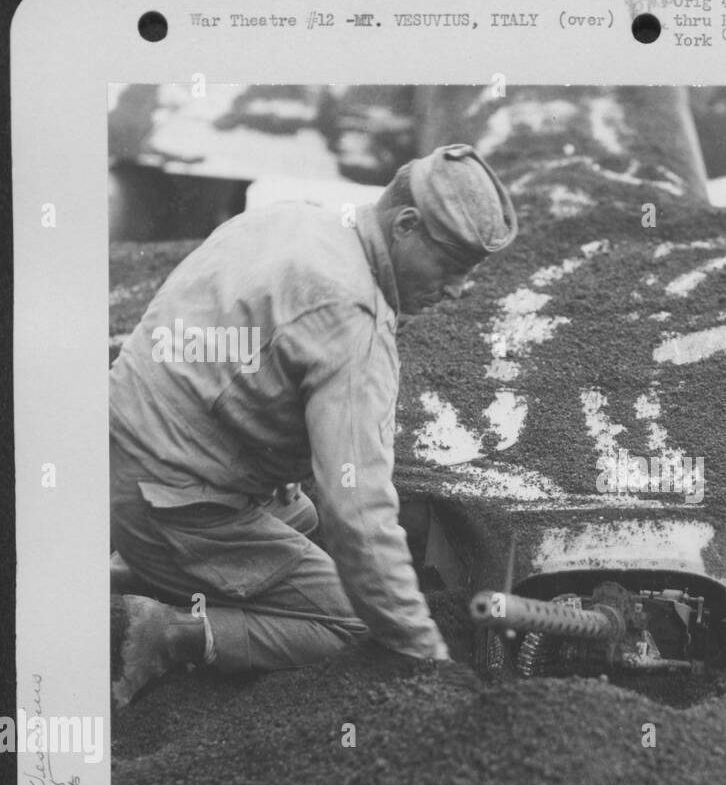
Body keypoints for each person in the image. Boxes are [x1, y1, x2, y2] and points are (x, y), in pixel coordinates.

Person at [109, 145, 517, 708]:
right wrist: (423, 653)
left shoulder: (295, 220)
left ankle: (131, 566)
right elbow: (358, 513)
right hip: (167, 500)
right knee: (359, 625)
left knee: (303, 518)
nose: (454, 289)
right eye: (450, 266)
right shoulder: (353, 326)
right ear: (406, 225)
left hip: (122, 441)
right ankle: (168, 632)